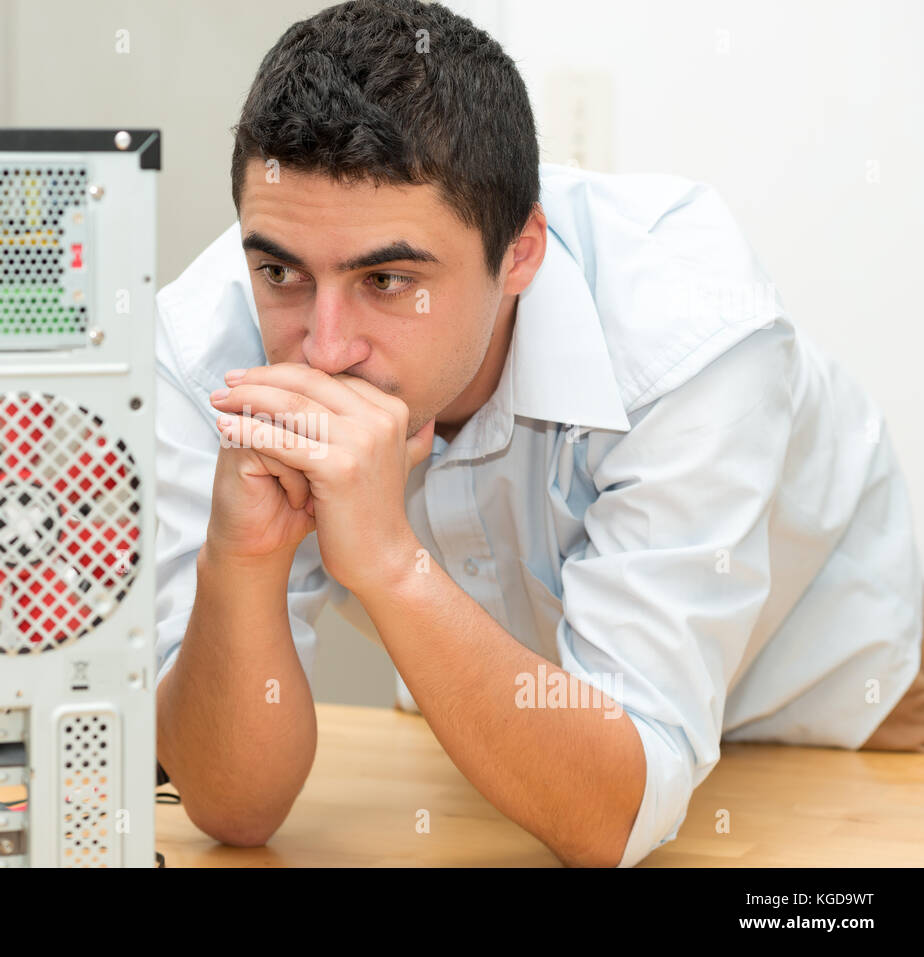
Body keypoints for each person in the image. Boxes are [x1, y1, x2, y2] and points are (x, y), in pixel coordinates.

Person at [152, 0, 924, 867]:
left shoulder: (691, 335)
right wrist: (242, 561)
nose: (325, 348)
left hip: (827, 702)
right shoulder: (203, 346)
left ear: (521, 252)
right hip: (501, 718)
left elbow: (614, 817)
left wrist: (389, 563)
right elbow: (231, 806)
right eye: (281, 271)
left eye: (389, 278)